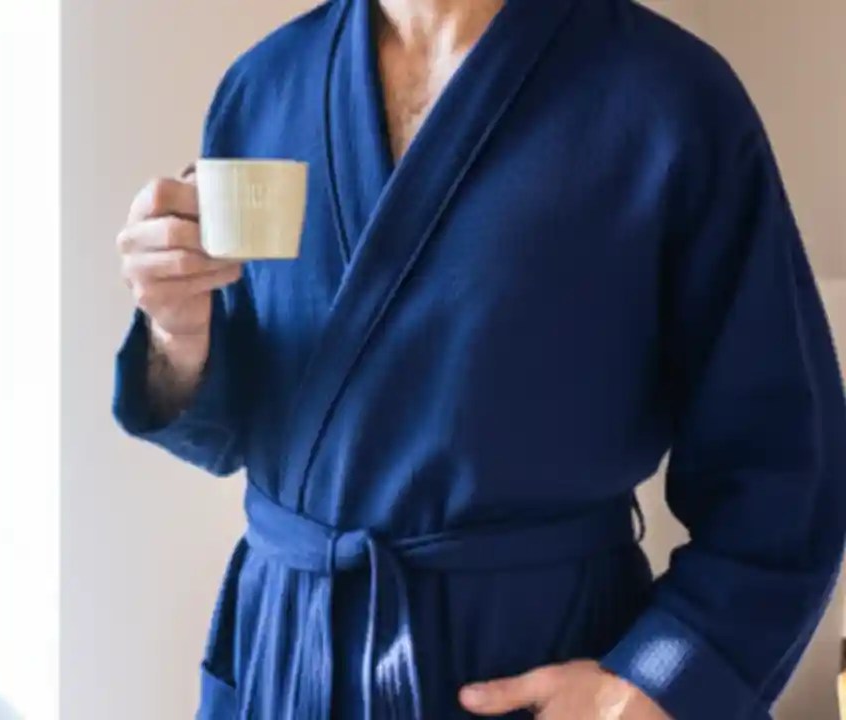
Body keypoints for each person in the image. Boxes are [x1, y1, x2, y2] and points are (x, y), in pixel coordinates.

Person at [111, 0, 846, 717]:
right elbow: (228, 428)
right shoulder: (265, 84)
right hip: (286, 659)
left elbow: (788, 465)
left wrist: (657, 685)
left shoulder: (668, 96)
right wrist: (177, 334)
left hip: (526, 664)